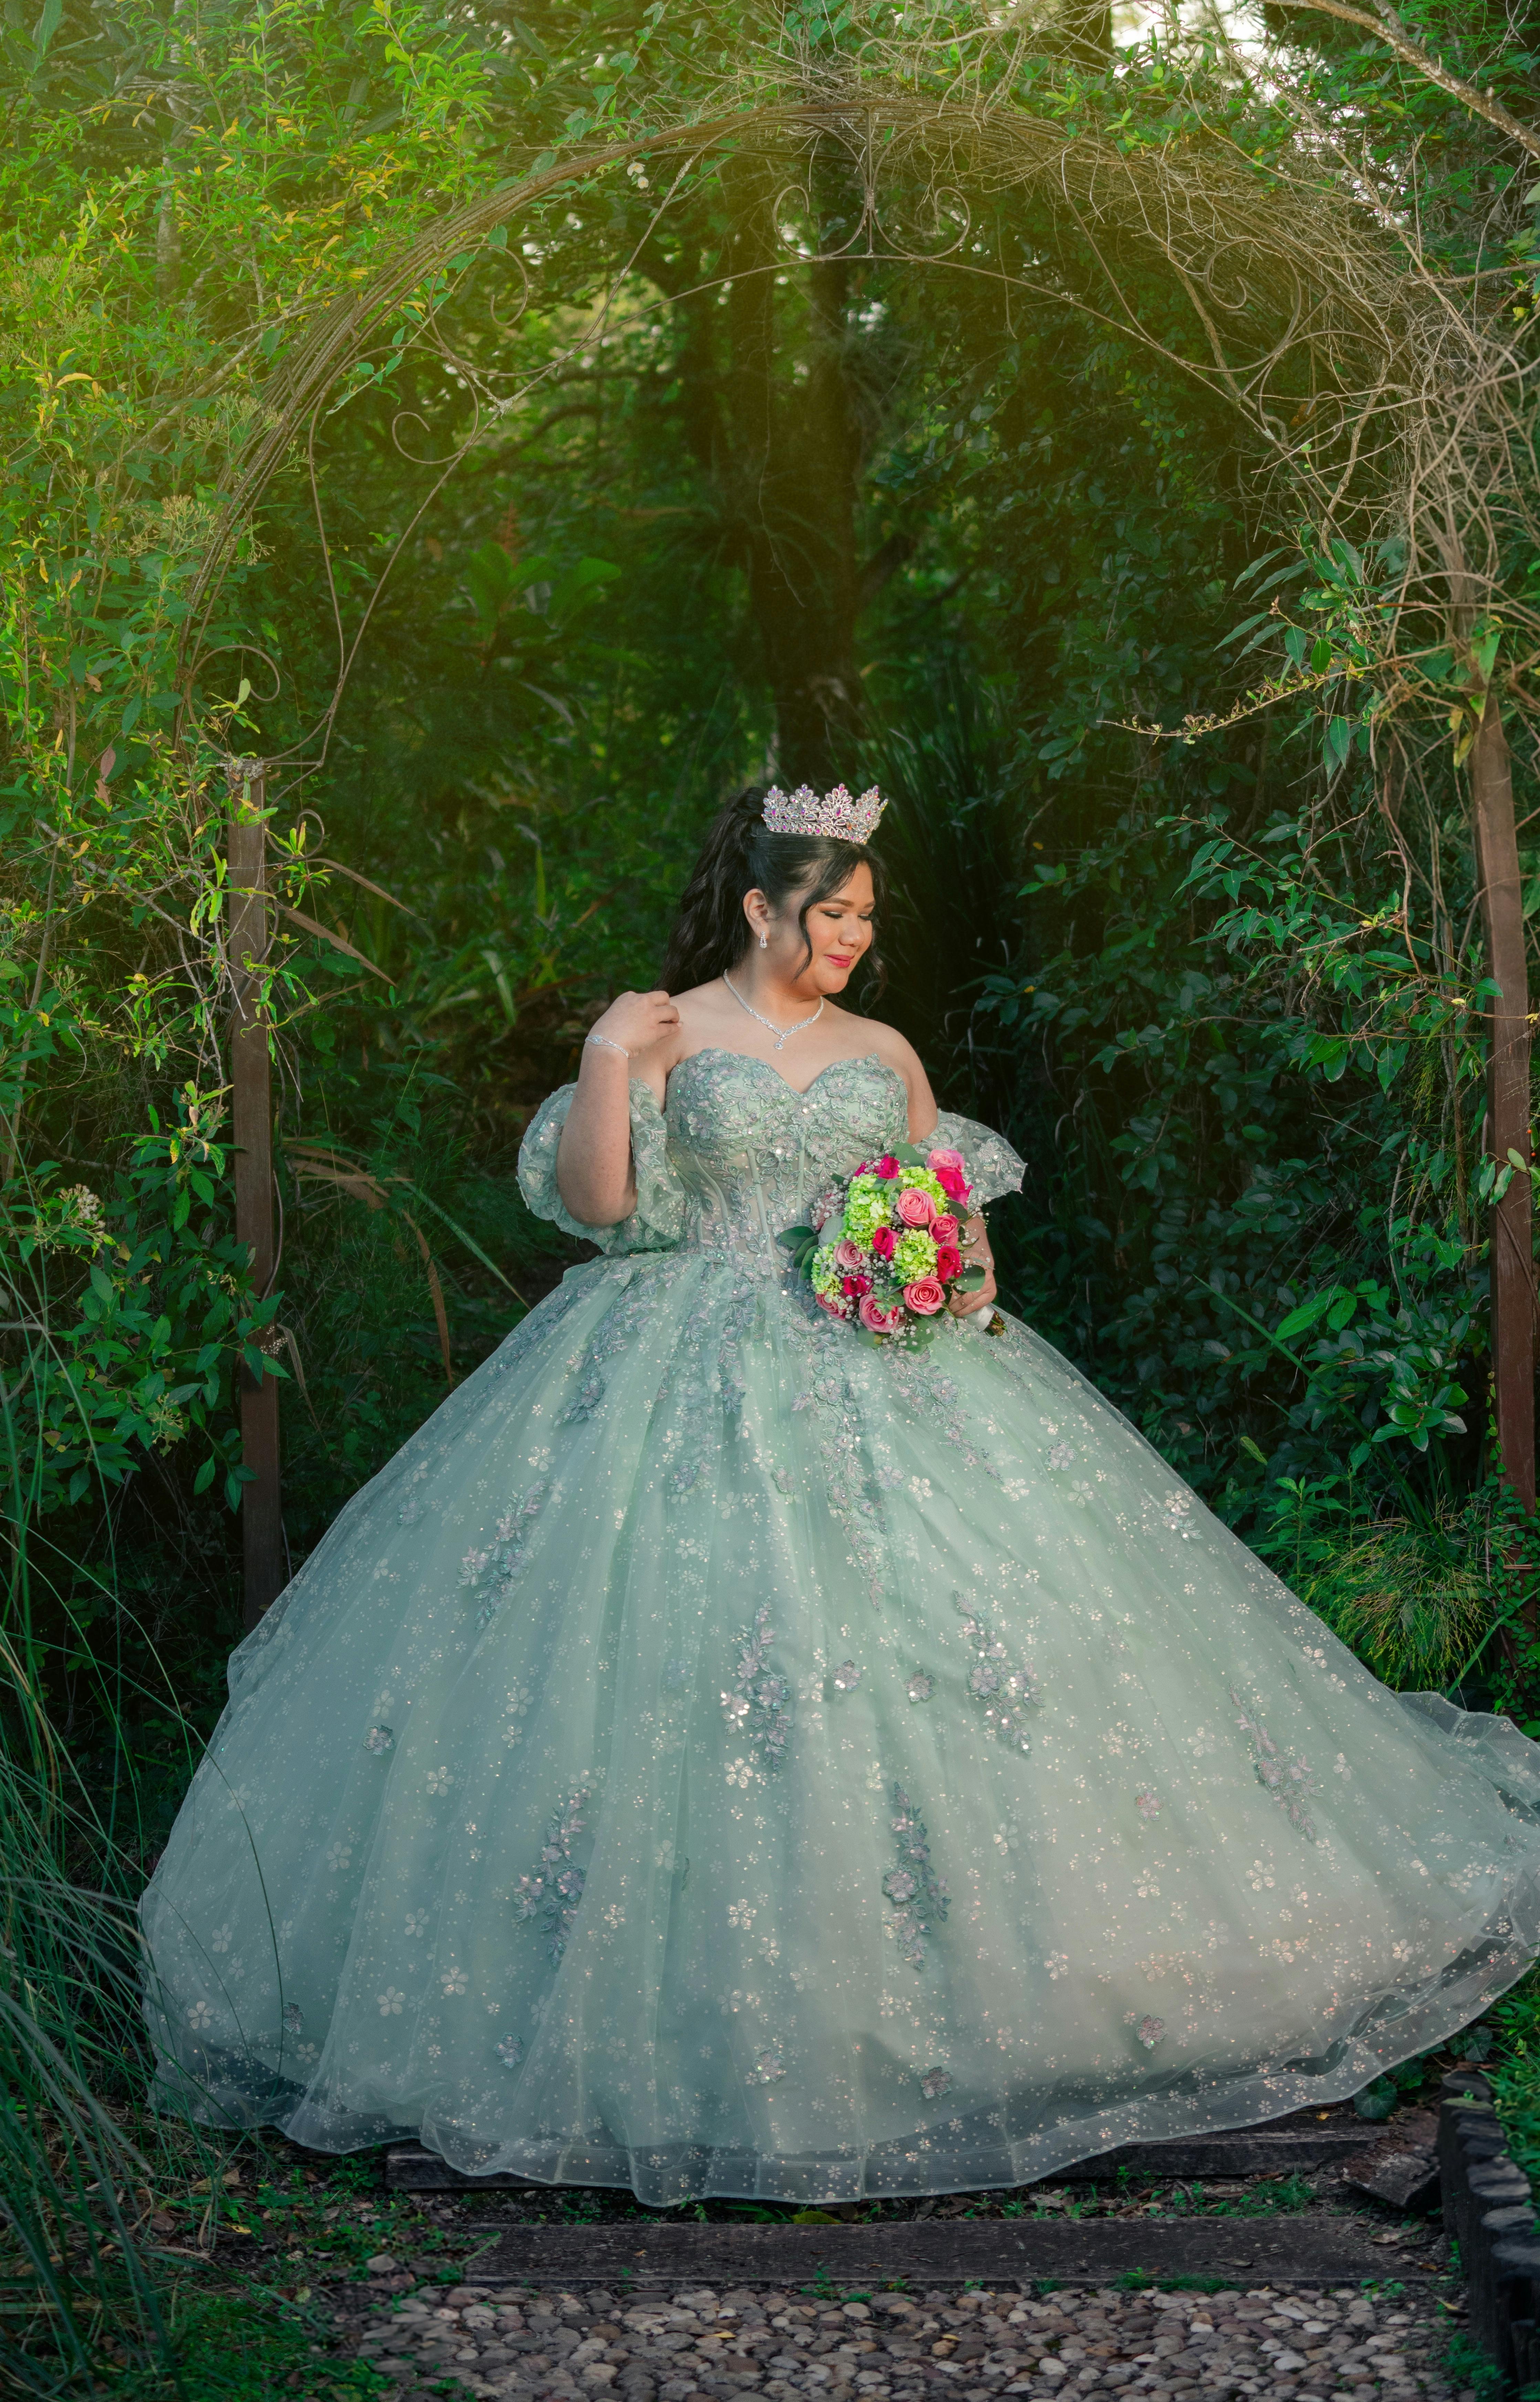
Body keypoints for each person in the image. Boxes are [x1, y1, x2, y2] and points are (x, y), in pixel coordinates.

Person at [142, 780, 1540, 2207]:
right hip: (674, 1366)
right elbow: (606, 1205)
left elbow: (956, 1223)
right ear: (762, 906)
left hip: (887, 1365)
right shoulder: (669, 1027)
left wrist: (934, 1271)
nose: (858, 937)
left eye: (870, 915)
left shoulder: (885, 1048)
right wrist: (609, 1052)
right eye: (837, 912)